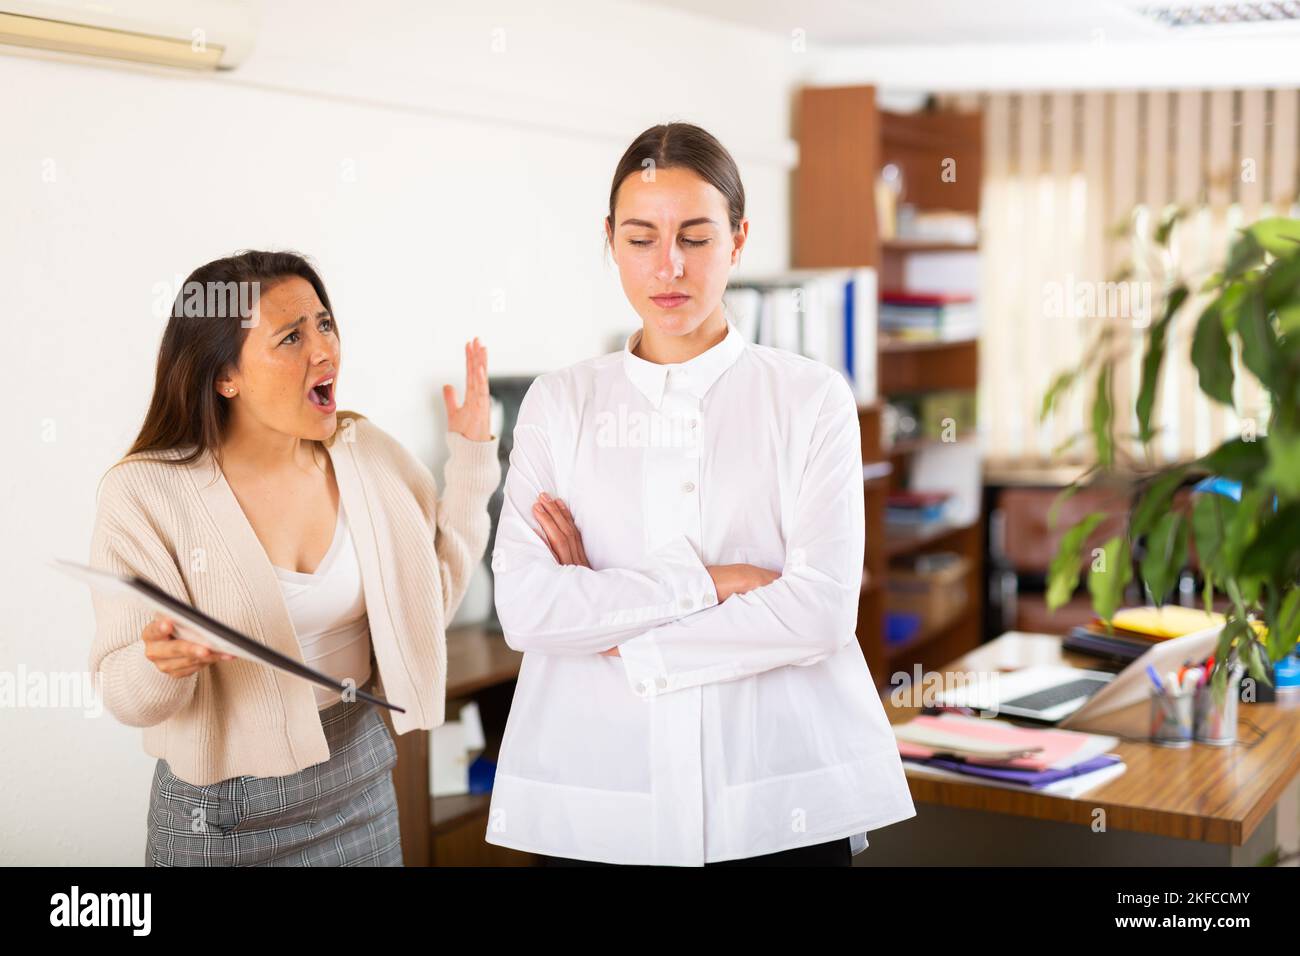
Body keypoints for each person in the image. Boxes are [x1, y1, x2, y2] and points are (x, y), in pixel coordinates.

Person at [484, 123, 916, 867]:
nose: (669, 267)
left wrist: (608, 619)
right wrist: (715, 585)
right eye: (641, 238)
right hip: (603, 800)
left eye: (696, 236)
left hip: (776, 802)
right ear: (610, 240)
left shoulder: (810, 399)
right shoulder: (561, 403)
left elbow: (818, 613)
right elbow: (527, 608)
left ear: (739, 239)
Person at [88, 250, 499, 866]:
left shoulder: (369, 457)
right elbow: (123, 691)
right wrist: (160, 664)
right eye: (291, 336)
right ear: (226, 375)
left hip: (360, 785)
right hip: (218, 818)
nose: (324, 350)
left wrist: (470, 460)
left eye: (325, 324)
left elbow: (425, 607)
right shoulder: (146, 493)